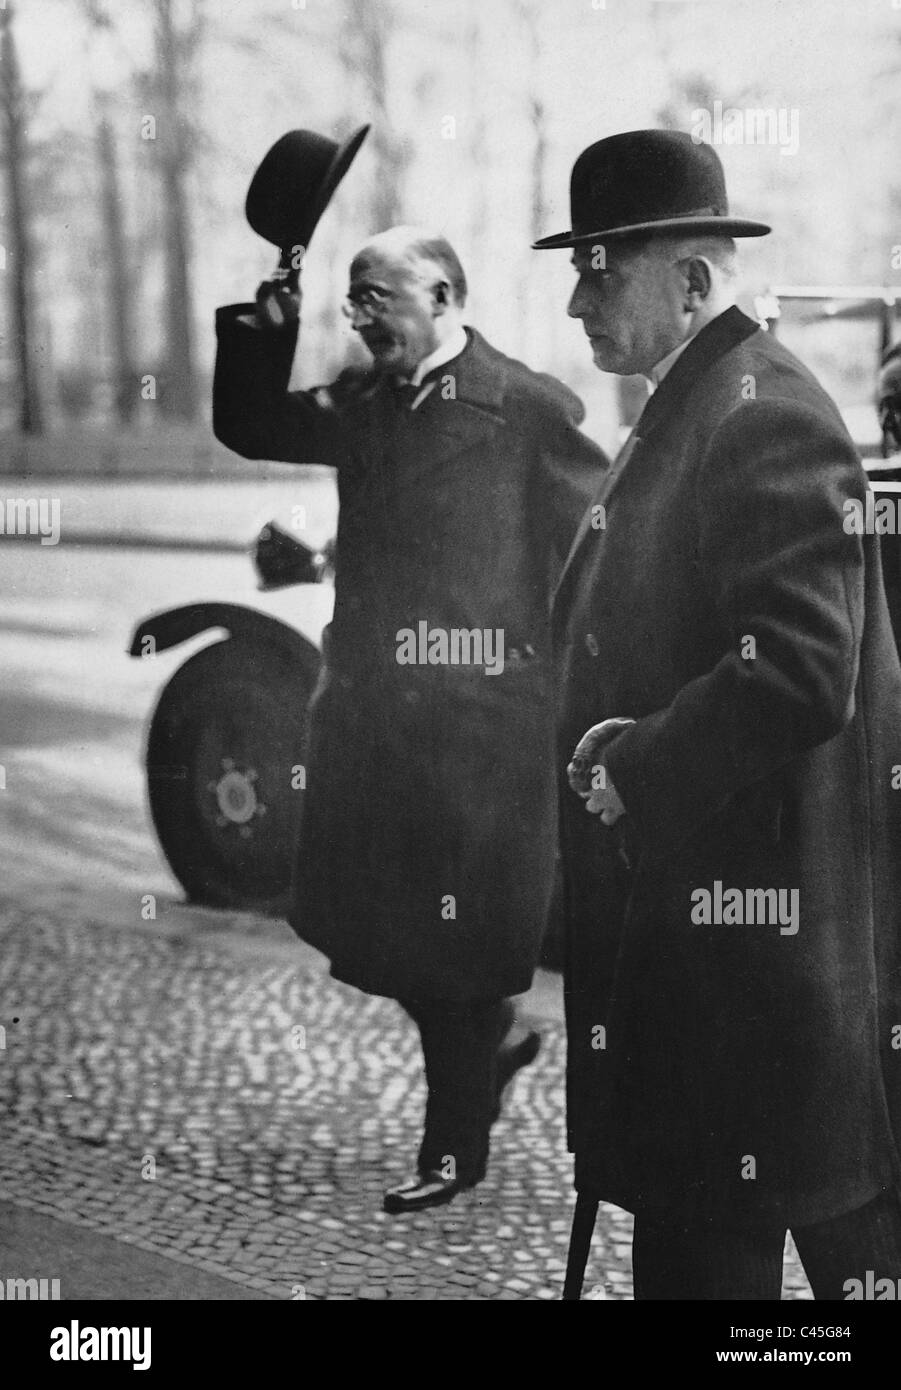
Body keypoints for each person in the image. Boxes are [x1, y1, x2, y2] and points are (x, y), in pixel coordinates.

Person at [534, 129, 901, 1298]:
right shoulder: (693, 403)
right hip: (716, 962)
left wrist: (635, 765)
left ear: (690, 282)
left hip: (754, 966)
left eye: (602, 266)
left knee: (752, 1242)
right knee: (789, 1238)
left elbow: (795, 667)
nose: (577, 295)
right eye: (578, 265)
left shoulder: (755, 413)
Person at [213, 225, 607, 1213]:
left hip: (483, 736)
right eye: (350, 301)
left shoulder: (527, 409)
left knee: (458, 947)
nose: (359, 318)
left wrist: (550, 694)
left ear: (441, 294)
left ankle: (452, 1147)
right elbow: (253, 423)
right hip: (375, 722)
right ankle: (497, 1042)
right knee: (368, 928)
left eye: (375, 298)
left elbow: (590, 562)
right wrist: (268, 320)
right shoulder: (360, 401)